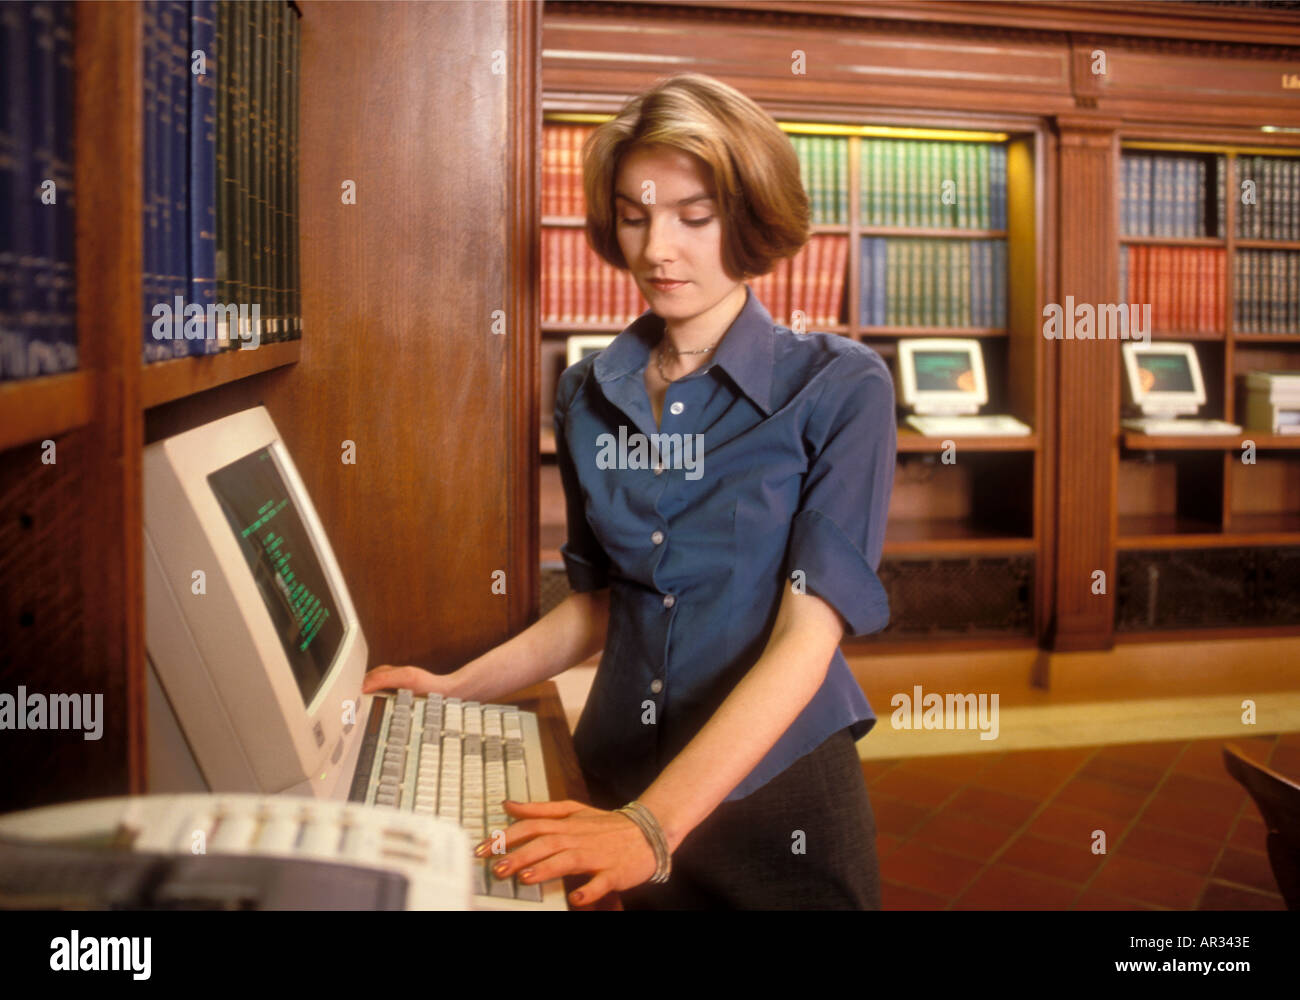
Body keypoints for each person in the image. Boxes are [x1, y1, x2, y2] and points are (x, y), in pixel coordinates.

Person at [363, 72, 896, 910]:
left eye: (695, 216)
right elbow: (602, 603)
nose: (657, 249)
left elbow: (807, 636)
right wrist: (454, 686)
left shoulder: (839, 386)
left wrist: (655, 826)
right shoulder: (585, 391)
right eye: (636, 214)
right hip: (616, 775)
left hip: (774, 797)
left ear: (750, 216)